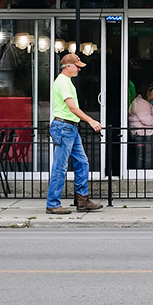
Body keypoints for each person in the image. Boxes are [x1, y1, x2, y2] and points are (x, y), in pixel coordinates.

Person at [46, 52, 103, 214]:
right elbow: (72, 107)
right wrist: (91, 121)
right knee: (60, 167)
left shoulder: (66, 81)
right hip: (65, 127)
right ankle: (53, 203)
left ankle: (82, 200)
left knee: (82, 162)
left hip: (69, 127)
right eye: (77, 67)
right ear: (68, 67)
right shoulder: (63, 82)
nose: (79, 69)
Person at [128, 79, 153, 168]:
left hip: (146, 135)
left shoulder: (142, 102)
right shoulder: (141, 103)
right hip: (144, 135)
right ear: (148, 92)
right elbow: (148, 120)